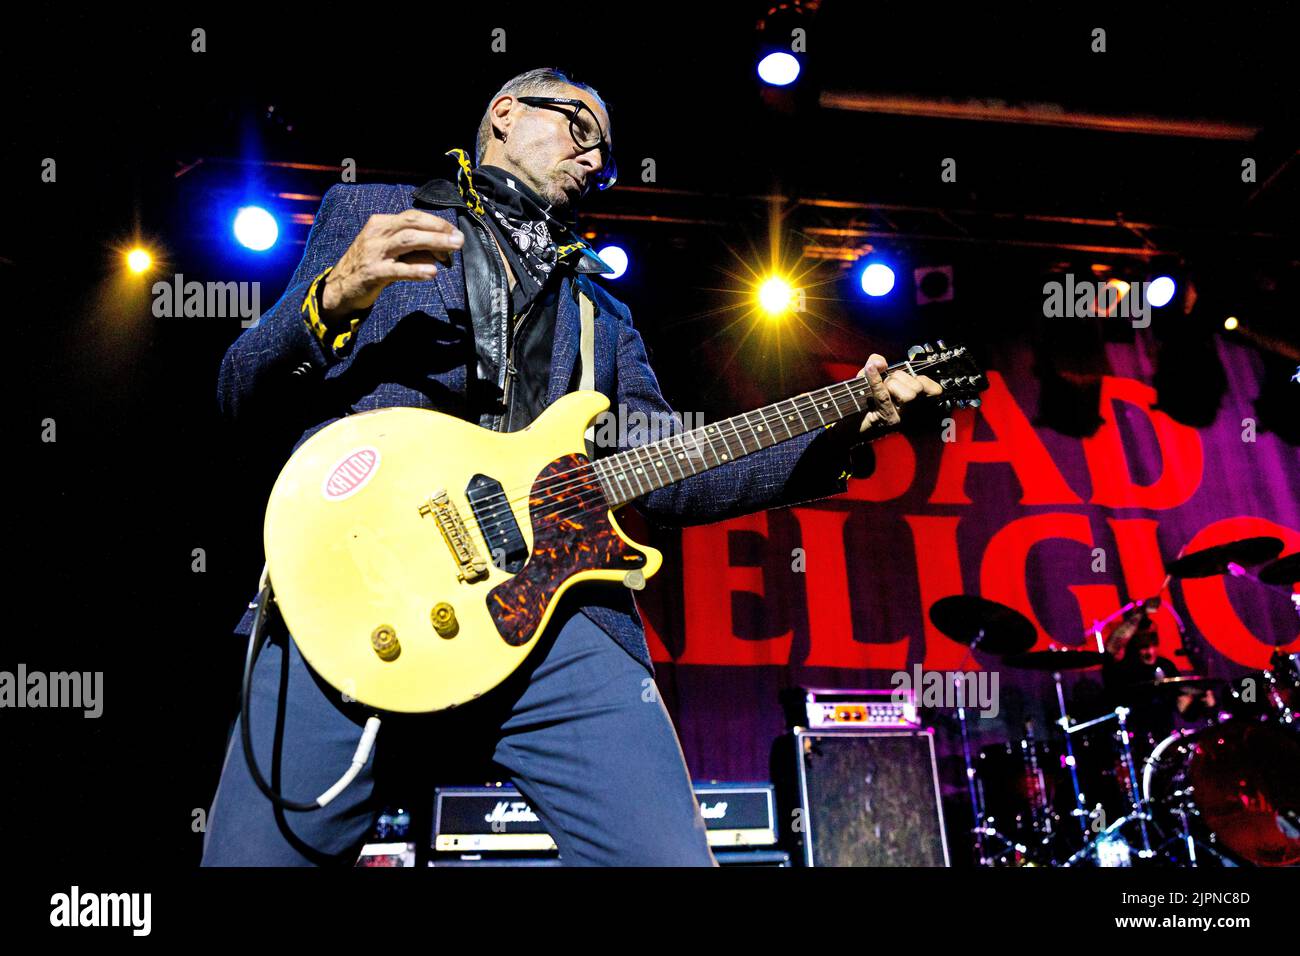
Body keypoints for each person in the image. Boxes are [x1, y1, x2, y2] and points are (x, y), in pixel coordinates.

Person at [201, 67, 943, 866]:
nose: (596, 163)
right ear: (505, 114)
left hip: (559, 618)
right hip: (361, 592)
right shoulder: (375, 213)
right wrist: (330, 300)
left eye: (610, 160)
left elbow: (676, 468)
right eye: (582, 132)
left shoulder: (604, 313)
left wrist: (841, 424)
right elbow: (243, 390)